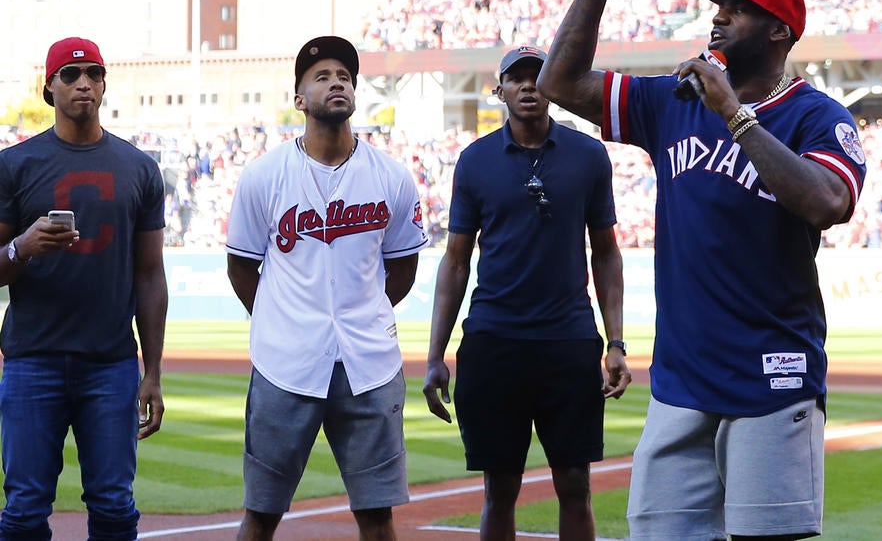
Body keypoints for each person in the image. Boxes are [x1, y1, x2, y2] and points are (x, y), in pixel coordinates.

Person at [537, 0, 868, 540]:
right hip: (681, 380)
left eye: (736, 9)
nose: (717, 16)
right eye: (717, 5)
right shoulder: (672, 101)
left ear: (779, 32)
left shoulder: (819, 117)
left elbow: (828, 202)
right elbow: (560, 80)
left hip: (774, 376)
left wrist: (735, 116)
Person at [422, 45, 631, 540]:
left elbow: (606, 251)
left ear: (554, 86)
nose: (528, 86)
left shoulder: (588, 155)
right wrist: (435, 355)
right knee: (500, 486)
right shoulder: (474, 162)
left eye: (537, 77)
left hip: (570, 342)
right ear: (499, 91)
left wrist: (615, 342)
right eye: (515, 78)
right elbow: (455, 261)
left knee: (575, 482)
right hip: (494, 342)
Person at [225, 35, 428, 541]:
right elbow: (241, 269)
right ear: (299, 99)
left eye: (345, 76)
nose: (336, 81)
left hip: (369, 363)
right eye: (322, 76)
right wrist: (283, 320)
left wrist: (364, 311)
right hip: (284, 363)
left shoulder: (393, 177)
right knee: (261, 513)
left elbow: (402, 270)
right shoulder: (262, 176)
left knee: (378, 516)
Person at [0, 36, 168, 540]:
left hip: (111, 362)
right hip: (33, 358)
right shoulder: (14, 165)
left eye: (93, 74)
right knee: (25, 510)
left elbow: (150, 274)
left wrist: (154, 371)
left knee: (115, 509)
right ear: (49, 86)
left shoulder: (139, 167)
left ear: (104, 84)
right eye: (70, 75)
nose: (83, 84)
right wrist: (23, 247)